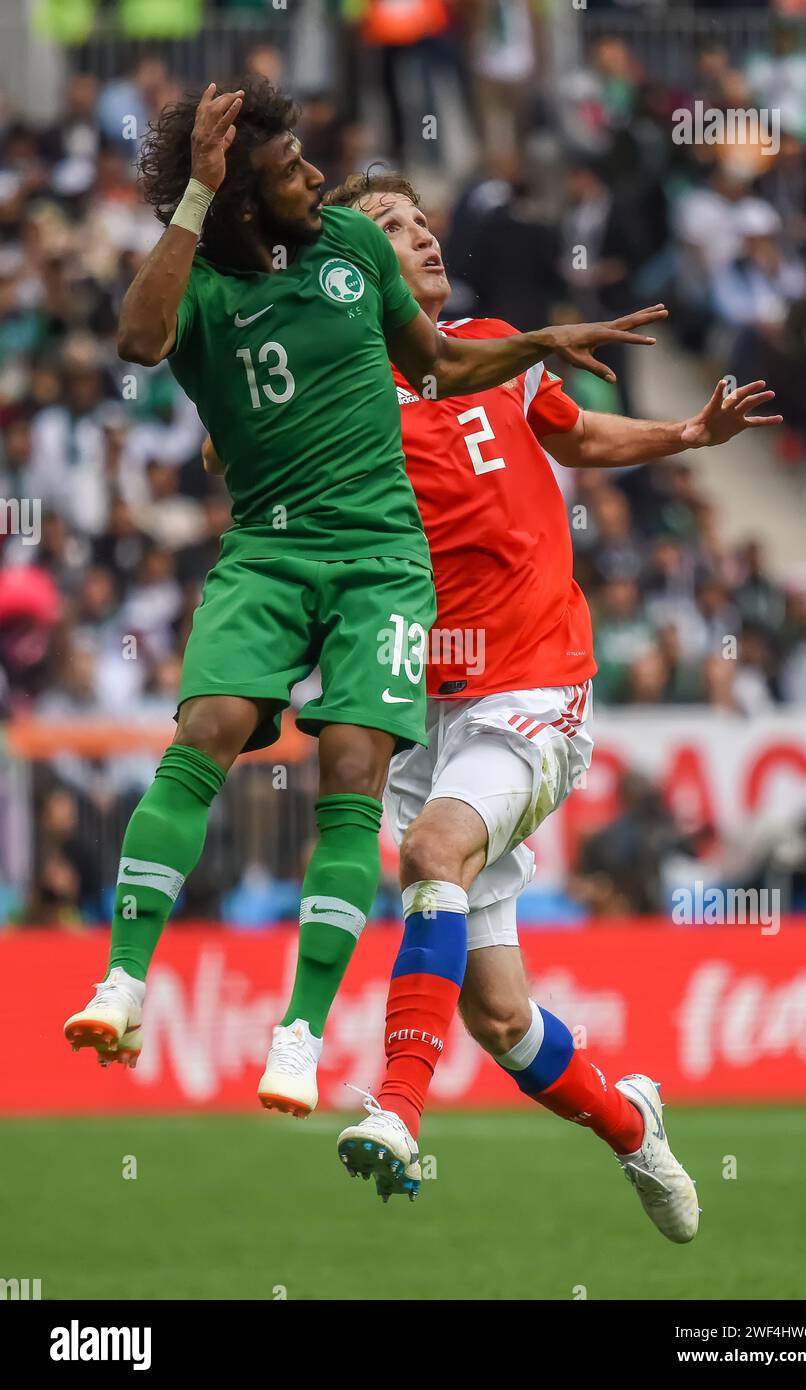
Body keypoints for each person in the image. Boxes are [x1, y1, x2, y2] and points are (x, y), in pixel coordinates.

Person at [62, 78, 666, 1113]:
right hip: (295, 570)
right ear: (246, 197)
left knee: (364, 786)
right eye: (292, 168)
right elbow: (143, 344)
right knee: (500, 1011)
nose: (313, 175)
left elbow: (444, 367)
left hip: (437, 613)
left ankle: (338, 1064)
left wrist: (543, 351)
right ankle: (123, 979)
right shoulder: (220, 281)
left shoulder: (361, 265)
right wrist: (197, 203)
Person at [325, 170, 781, 1241]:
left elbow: (573, 437)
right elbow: (234, 459)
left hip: (533, 680)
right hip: (419, 703)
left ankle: (396, 1108)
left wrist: (683, 436)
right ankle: (633, 1122)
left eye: (425, 220)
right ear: (349, 269)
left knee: (435, 853)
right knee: (498, 1017)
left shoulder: (493, 342)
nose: (426, 237)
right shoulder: (341, 392)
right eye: (395, 229)